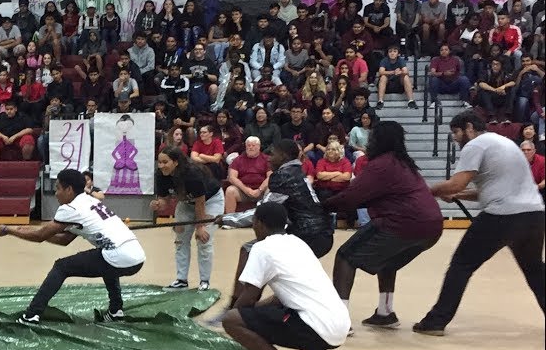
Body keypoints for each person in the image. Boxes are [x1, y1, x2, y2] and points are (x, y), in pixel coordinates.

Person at [416, 112, 546, 335]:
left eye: (456, 132)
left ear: (469, 127)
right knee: (534, 269)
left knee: (461, 264)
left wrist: (426, 192)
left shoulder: (476, 144)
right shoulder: (505, 143)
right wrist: (457, 196)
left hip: (502, 215)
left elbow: (456, 183)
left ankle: (436, 321)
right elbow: (489, 190)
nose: (455, 139)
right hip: (534, 215)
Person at [321, 121, 443, 330]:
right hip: (431, 226)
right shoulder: (403, 162)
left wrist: (321, 206)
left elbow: (352, 197)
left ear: (380, 140)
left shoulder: (381, 165)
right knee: (388, 262)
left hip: (403, 222)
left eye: (373, 137)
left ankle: (339, 320)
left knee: (345, 257)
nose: (369, 142)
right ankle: (385, 312)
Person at [219, 202, 351, 350]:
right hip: (339, 326)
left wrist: (236, 319)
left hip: (317, 329)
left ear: (259, 224)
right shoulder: (297, 243)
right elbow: (279, 300)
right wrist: (257, 312)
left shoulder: (261, 248)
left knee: (232, 320)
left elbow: (248, 299)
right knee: (293, 309)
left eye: (254, 222)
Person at [0, 169, 145, 324]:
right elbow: (64, 239)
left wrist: (9, 230)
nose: (56, 193)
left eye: (58, 188)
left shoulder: (70, 209)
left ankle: (31, 315)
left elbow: (40, 236)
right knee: (106, 259)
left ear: (69, 189)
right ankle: (115, 311)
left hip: (120, 256)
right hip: (137, 257)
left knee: (61, 267)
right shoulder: (90, 201)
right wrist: (32, 232)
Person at [213, 138, 334, 322]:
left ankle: (235, 311)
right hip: (323, 234)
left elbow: (264, 212)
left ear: (284, 156)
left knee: (251, 249)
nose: (269, 158)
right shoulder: (296, 171)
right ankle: (255, 308)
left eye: (273, 154)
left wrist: (228, 218)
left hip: (307, 235)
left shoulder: (282, 176)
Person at [151, 146, 224, 290]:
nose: (161, 166)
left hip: (209, 201)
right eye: (159, 162)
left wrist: (200, 227)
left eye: (165, 162)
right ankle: (181, 280)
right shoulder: (160, 175)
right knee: (180, 240)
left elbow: (200, 202)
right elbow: (165, 200)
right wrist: (159, 204)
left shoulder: (192, 174)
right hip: (186, 203)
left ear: (176, 162)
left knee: (204, 240)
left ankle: (204, 281)